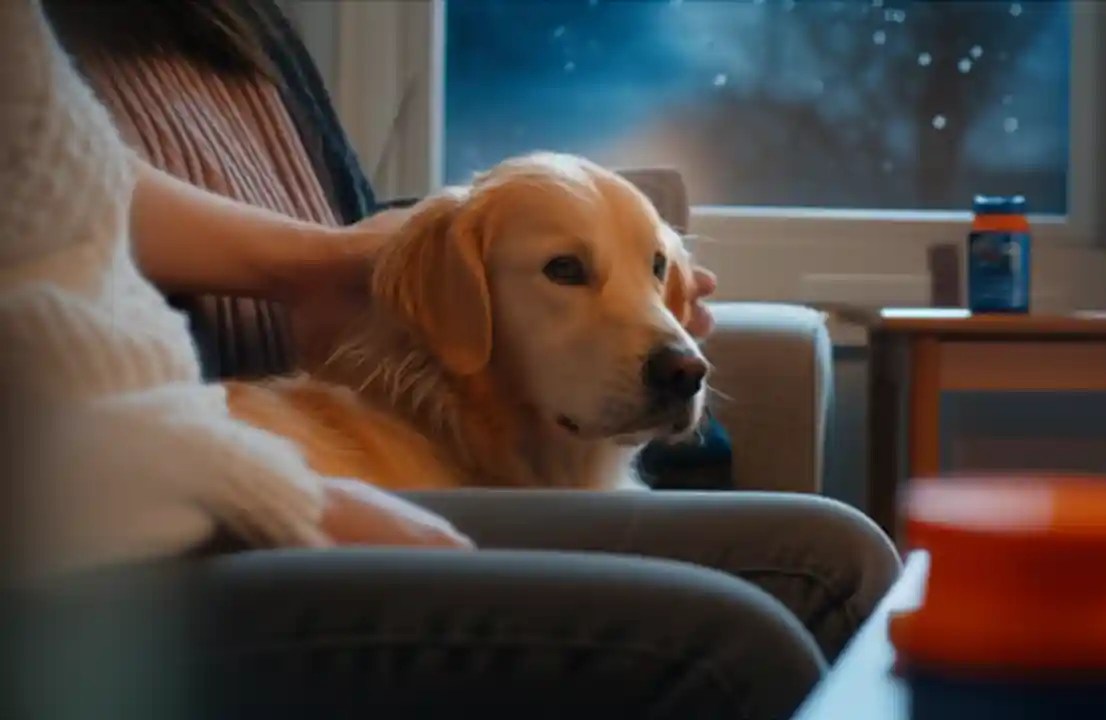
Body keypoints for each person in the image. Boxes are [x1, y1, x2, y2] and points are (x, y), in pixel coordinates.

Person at [1, 1, 900, 718]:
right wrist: (276, 491)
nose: (678, 352)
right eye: (566, 272)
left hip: (164, 462)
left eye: (655, 273)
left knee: (844, 553)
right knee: (743, 638)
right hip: (109, 533)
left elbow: (63, 186)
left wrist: (306, 262)